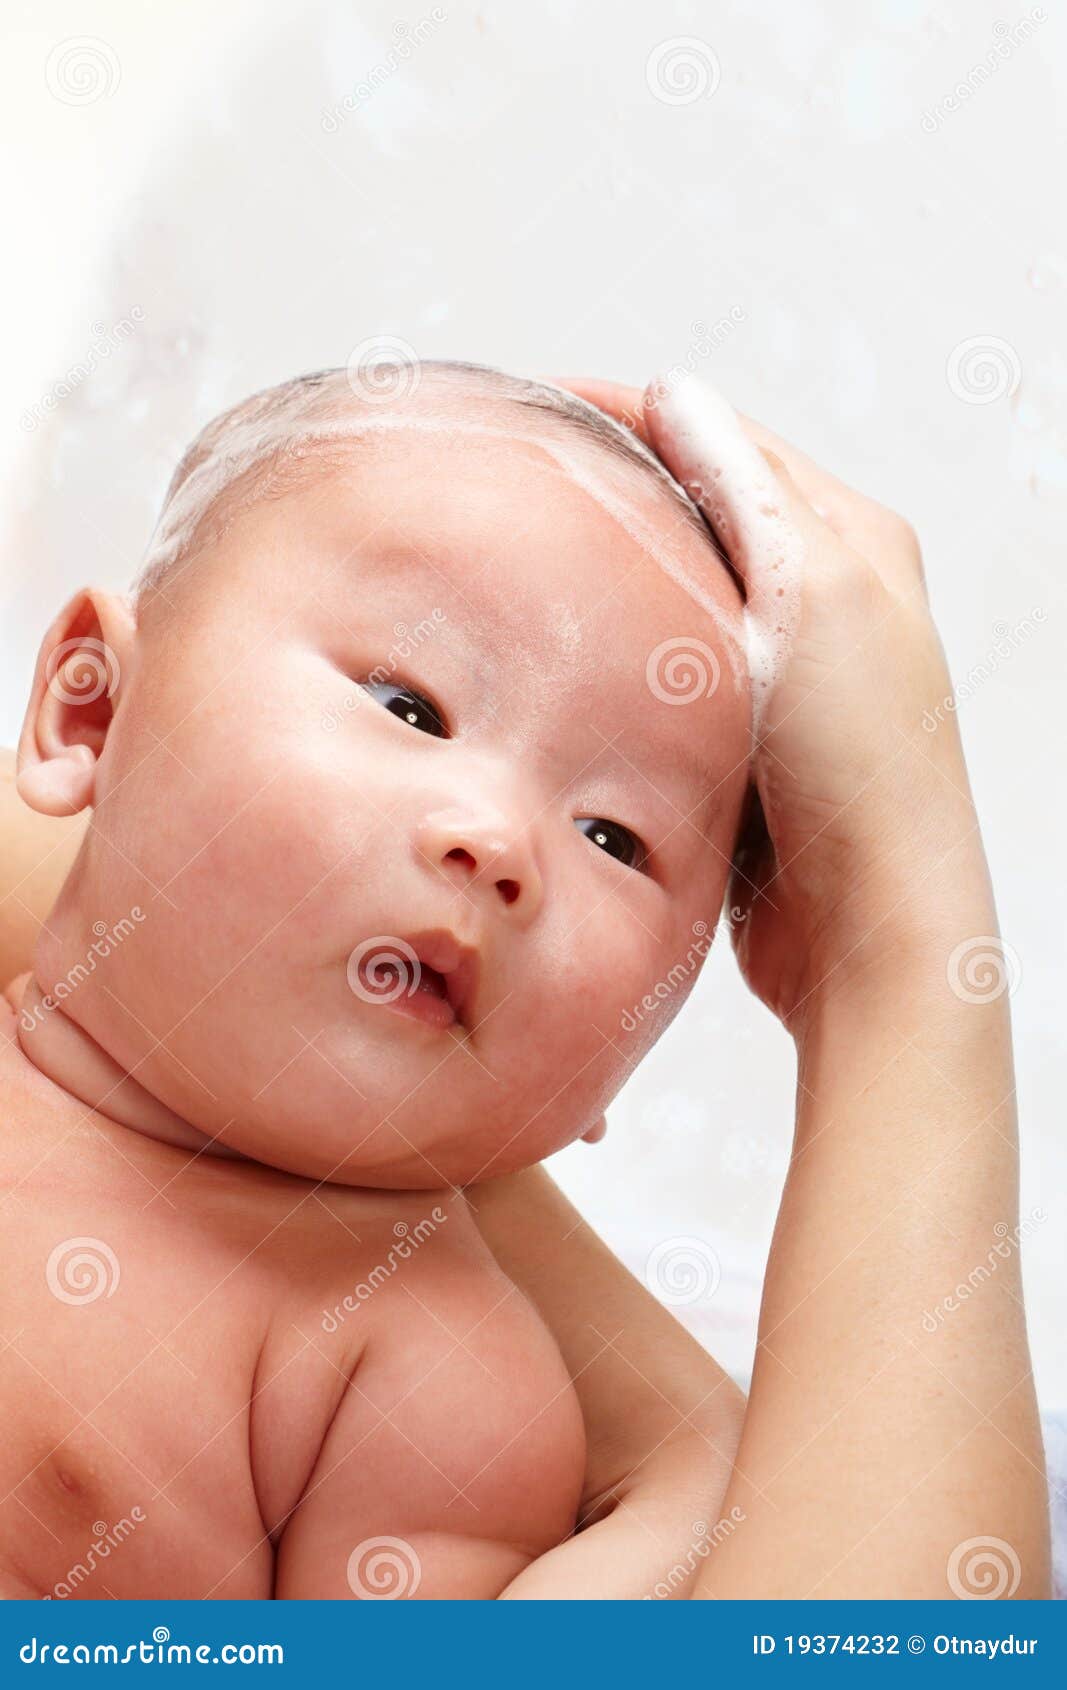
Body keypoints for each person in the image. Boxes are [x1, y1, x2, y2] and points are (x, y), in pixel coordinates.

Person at [0, 362, 1049, 1598]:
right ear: (91, 711)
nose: (498, 845)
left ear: (628, 1060)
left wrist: (895, 949)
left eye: (616, 837)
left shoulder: (421, 1381)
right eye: (410, 703)